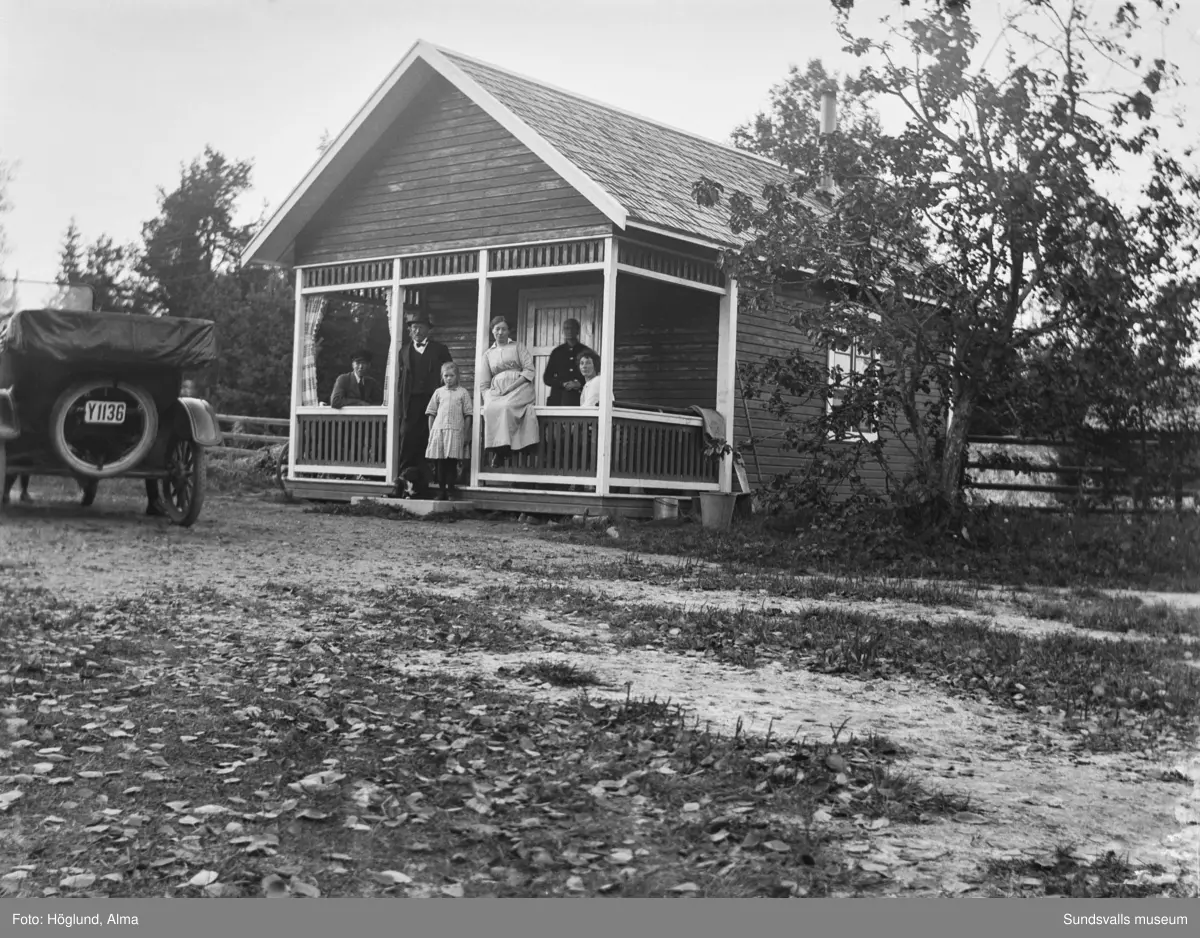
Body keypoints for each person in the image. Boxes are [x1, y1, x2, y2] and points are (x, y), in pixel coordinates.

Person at [395, 308, 453, 495]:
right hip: (411, 402)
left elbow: (449, 374)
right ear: (410, 331)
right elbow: (400, 379)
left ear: (428, 330)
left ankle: (436, 480)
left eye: (420, 327)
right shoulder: (403, 351)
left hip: (433, 401)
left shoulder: (440, 350)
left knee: (434, 438)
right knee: (407, 438)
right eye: (414, 328)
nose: (417, 331)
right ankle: (404, 481)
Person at [480, 316, 539, 462]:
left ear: (508, 331)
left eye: (503, 329)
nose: (500, 332)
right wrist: (488, 396)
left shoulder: (518, 347)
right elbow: (484, 383)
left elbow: (529, 370)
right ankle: (499, 448)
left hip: (520, 387)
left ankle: (505, 449)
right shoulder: (488, 354)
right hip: (497, 391)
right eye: (497, 329)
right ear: (492, 331)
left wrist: (510, 388)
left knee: (506, 406)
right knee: (489, 409)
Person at [425, 361, 472, 501]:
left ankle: (451, 490)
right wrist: (431, 432)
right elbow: (431, 413)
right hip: (439, 431)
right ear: (442, 377)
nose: (448, 379)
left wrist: (466, 433)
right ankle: (441, 490)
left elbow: (468, 414)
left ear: (457, 376)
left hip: (455, 432)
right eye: (446, 376)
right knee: (440, 463)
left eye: (451, 376)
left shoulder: (462, 393)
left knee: (451, 463)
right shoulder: (438, 392)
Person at [542, 318, 593, 407]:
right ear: (563, 331)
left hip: (580, 399)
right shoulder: (557, 352)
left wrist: (580, 383)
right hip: (558, 400)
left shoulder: (585, 351)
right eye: (566, 328)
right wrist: (562, 383)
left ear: (577, 331)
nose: (569, 331)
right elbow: (547, 378)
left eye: (572, 328)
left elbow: (594, 376)